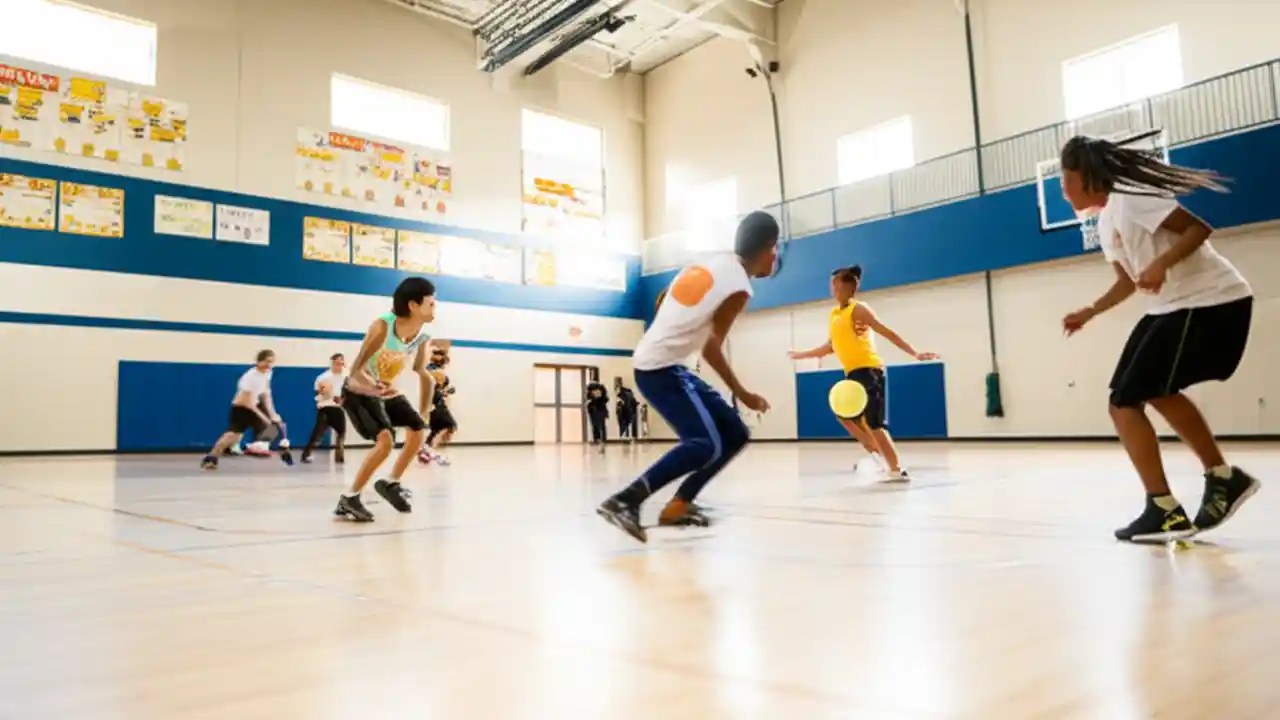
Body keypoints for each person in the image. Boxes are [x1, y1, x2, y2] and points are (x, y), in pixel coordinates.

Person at [1058, 135, 1259, 541]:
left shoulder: (1132, 198)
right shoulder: (1106, 218)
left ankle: (1165, 508)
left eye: (1066, 183)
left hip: (1212, 301)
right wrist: (1090, 311)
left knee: (1126, 399)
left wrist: (1162, 264)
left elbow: (1197, 229)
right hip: (1173, 307)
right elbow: (1127, 283)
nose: (1063, 193)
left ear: (1087, 178)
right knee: (1139, 393)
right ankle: (1222, 479)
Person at [597, 211, 777, 542]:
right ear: (769, 248)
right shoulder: (739, 287)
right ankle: (625, 501)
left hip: (667, 363)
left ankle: (679, 505)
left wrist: (672, 327)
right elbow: (711, 349)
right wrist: (743, 392)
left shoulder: (712, 261)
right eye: (775, 249)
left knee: (734, 432)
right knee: (703, 444)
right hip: (660, 369)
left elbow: (664, 297)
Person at [788, 265, 938, 481]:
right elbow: (831, 347)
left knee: (874, 422)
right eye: (832, 284)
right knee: (845, 415)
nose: (832, 288)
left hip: (869, 370)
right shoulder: (834, 314)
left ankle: (896, 469)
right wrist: (801, 355)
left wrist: (914, 353)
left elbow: (885, 331)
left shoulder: (859, 310)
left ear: (849, 288)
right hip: (852, 374)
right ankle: (877, 455)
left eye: (836, 284)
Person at [333, 277, 447, 522]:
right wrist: (374, 387)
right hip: (358, 391)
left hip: (384, 391)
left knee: (417, 429)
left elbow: (424, 374)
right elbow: (356, 370)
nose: (435, 308)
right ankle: (349, 498)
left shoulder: (422, 338)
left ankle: (391, 482)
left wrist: (424, 413)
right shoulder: (382, 327)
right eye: (431, 303)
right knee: (385, 442)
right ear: (413, 305)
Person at [201, 350, 293, 470]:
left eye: (271, 362)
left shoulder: (267, 373)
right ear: (259, 361)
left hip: (253, 406)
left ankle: (264, 447)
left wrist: (272, 413)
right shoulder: (250, 377)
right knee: (232, 436)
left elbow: (266, 394)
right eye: (266, 362)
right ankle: (212, 458)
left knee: (277, 425)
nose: (269, 365)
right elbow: (247, 403)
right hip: (241, 409)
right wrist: (264, 417)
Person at [301, 353, 347, 464]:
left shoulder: (345, 377)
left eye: (342, 362)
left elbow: (346, 392)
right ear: (332, 363)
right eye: (337, 362)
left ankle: (339, 455)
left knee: (341, 432)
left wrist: (342, 400)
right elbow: (321, 391)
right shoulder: (323, 377)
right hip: (325, 407)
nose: (340, 365)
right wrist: (330, 394)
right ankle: (306, 454)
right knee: (318, 433)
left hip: (337, 408)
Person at [419, 347, 457, 466]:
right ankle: (431, 452)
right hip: (437, 403)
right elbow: (437, 388)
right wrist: (447, 390)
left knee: (437, 429)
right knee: (448, 426)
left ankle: (425, 450)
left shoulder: (430, 370)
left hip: (434, 402)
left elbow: (436, 388)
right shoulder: (436, 372)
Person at [586, 379, 609, 445]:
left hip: (599, 409)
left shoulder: (601, 389)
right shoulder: (590, 390)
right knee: (595, 425)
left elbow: (605, 399)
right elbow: (588, 397)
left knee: (601, 425)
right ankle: (597, 439)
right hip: (594, 410)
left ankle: (601, 440)